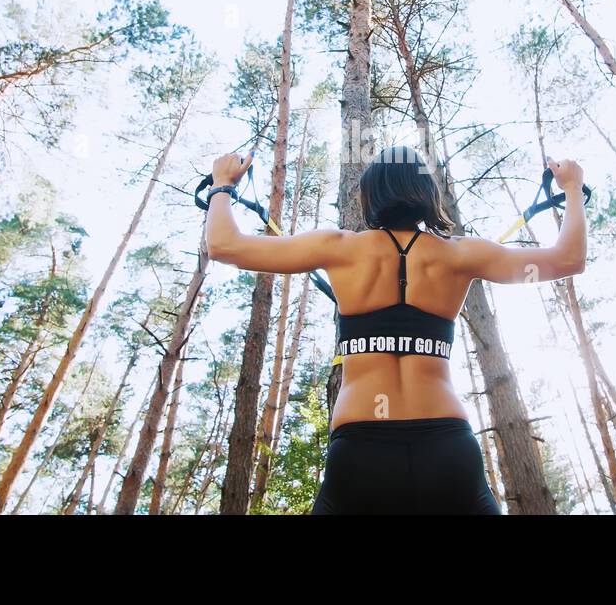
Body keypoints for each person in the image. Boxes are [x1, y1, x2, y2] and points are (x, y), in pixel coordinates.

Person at [204, 145, 586, 514]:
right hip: (447, 448)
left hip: (361, 450)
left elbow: (225, 246)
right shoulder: (461, 254)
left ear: (371, 196)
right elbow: (568, 259)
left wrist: (223, 183)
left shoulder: (338, 247)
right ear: (425, 192)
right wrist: (571, 189)